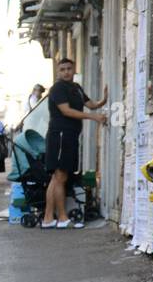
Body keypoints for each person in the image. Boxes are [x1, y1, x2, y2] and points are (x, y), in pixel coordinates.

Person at [42, 58, 107, 229]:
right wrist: (93, 117)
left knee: (56, 178)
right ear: (58, 71)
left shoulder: (76, 88)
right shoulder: (58, 88)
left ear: (74, 69)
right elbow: (66, 111)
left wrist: (103, 101)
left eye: (69, 68)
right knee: (60, 177)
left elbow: (90, 104)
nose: (66, 72)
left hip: (70, 136)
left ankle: (48, 218)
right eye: (62, 69)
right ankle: (62, 217)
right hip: (60, 135)